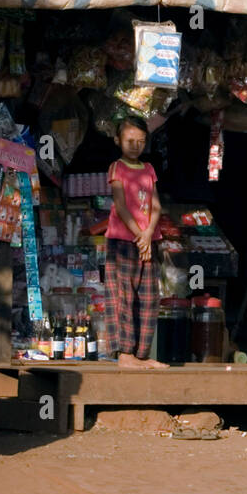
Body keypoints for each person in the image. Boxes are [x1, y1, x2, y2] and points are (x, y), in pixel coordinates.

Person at [106, 116, 167, 370]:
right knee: (123, 295)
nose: (135, 145)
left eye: (140, 141)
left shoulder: (149, 169)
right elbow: (120, 206)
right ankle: (124, 354)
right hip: (123, 240)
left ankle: (142, 354)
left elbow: (155, 205)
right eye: (130, 140)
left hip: (147, 242)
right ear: (118, 140)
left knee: (149, 297)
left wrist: (149, 232)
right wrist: (139, 234)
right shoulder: (116, 168)